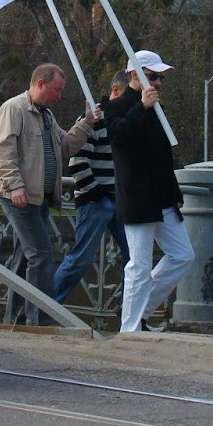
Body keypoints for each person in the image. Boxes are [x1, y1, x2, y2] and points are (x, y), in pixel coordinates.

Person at [0, 63, 98, 326]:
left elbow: (66, 147)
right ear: (40, 84)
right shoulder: (14, 108)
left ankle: (14, 319)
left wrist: (86, 123)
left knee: (24, 258)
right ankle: (38, 319)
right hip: (20, 197)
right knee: (41, 254)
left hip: (37, 198)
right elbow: (3, 153)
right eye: (56, 90)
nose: (59, 96)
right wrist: (15, 186)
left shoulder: (46, 115)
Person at [110, 50, 195, 333]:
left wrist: (174, 192)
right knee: (139, 265)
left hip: (161, 196)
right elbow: (119, 137)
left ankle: (139, 313)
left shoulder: (157, 109)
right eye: (153, 76)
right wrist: (141, 108)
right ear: (135, 75)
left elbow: (162, 157)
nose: (158, 83)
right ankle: (130, 328)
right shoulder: (117, 105)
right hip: (137, 197)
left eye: (160, 78)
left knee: (182, 255)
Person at [52, 70, 130, 304]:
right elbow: (77, 161)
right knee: (82, 258)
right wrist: (96, 193)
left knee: (135, 258)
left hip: (120, 199)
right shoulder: (94, 119)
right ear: (116, 90)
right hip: (96, 200)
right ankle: (46, 305)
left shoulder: (127, 121)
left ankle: (129, 311)